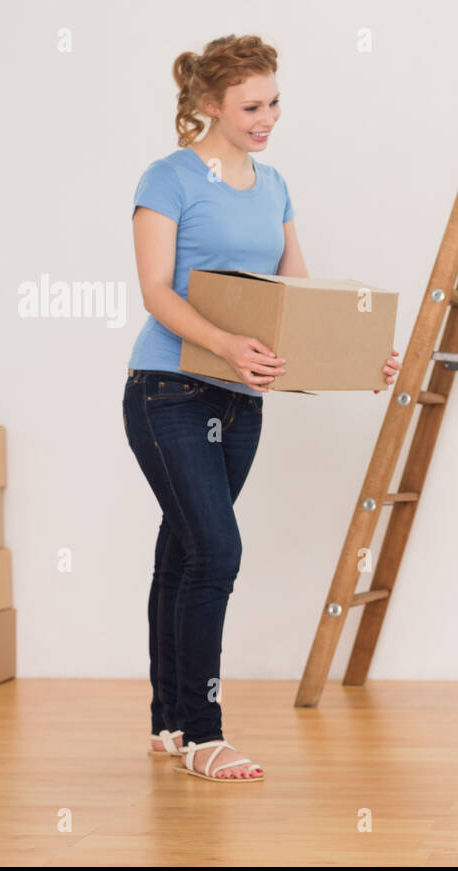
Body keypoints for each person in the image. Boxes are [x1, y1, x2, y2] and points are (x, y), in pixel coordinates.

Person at [124, 35, 401, 781]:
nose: (267, 117)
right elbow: (156, 292)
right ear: (209, 105)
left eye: (274, 102)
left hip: (241, 402)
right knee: (217, 551)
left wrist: (355, 358)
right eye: (251, 105)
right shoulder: (169, 178)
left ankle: (168, 722)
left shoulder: (274, 186)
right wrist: (227, 345)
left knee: (184, 552)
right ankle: (205, 733)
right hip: (169, 389)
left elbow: (298, 301)